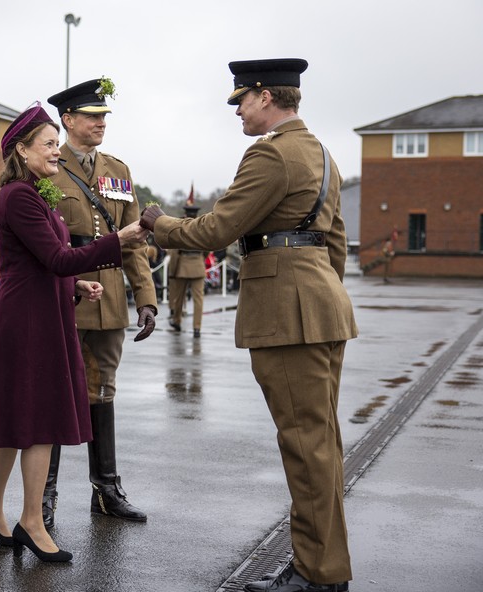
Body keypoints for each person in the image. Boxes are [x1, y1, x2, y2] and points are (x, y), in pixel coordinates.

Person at [140, 58, 357, 592]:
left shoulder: (272, 153)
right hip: (322, 305)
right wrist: (323, 295)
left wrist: (156, 223)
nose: (236, 110)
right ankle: (318, 563)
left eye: (240, 100)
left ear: (264, 96)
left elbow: (218, 228)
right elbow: (336, 243)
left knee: (305, 446)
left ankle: (319, 574)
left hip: (288, 314)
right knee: (321, 443)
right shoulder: (321, 154)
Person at [0, 102, 148, 562]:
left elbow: (46, 261)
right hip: (29, 318)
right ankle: (31, 520)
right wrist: (119, 241)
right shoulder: (22, 196)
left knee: (16, 421)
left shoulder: (33, 190)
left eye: (55, 143)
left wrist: (75, 282)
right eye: (48, 144)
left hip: (38, 308)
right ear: (22, 150)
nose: (55, 151)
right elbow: (56, 258)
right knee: (37, 422)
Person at [42, 78, 158, 527]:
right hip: (65, 290)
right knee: (54, 393)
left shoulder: (118, 170)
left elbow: (133, 243)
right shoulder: (50, 164)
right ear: (68, 120)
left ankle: (106, 490)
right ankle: (44, 495)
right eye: (92, 116)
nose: (100, 123)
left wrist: (144, 297)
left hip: (108, 296)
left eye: (104, 116)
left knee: (102, 390)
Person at [166, 203, 206, 337]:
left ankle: (177, 320)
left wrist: (173, 269)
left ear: (186, 213)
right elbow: (208, 246)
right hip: (198, 264)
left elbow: (175, 251)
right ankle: (197, 327)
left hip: (182, 265)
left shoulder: (181, 227)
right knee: (198, 299)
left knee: (179, 297)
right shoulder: (202, 227)